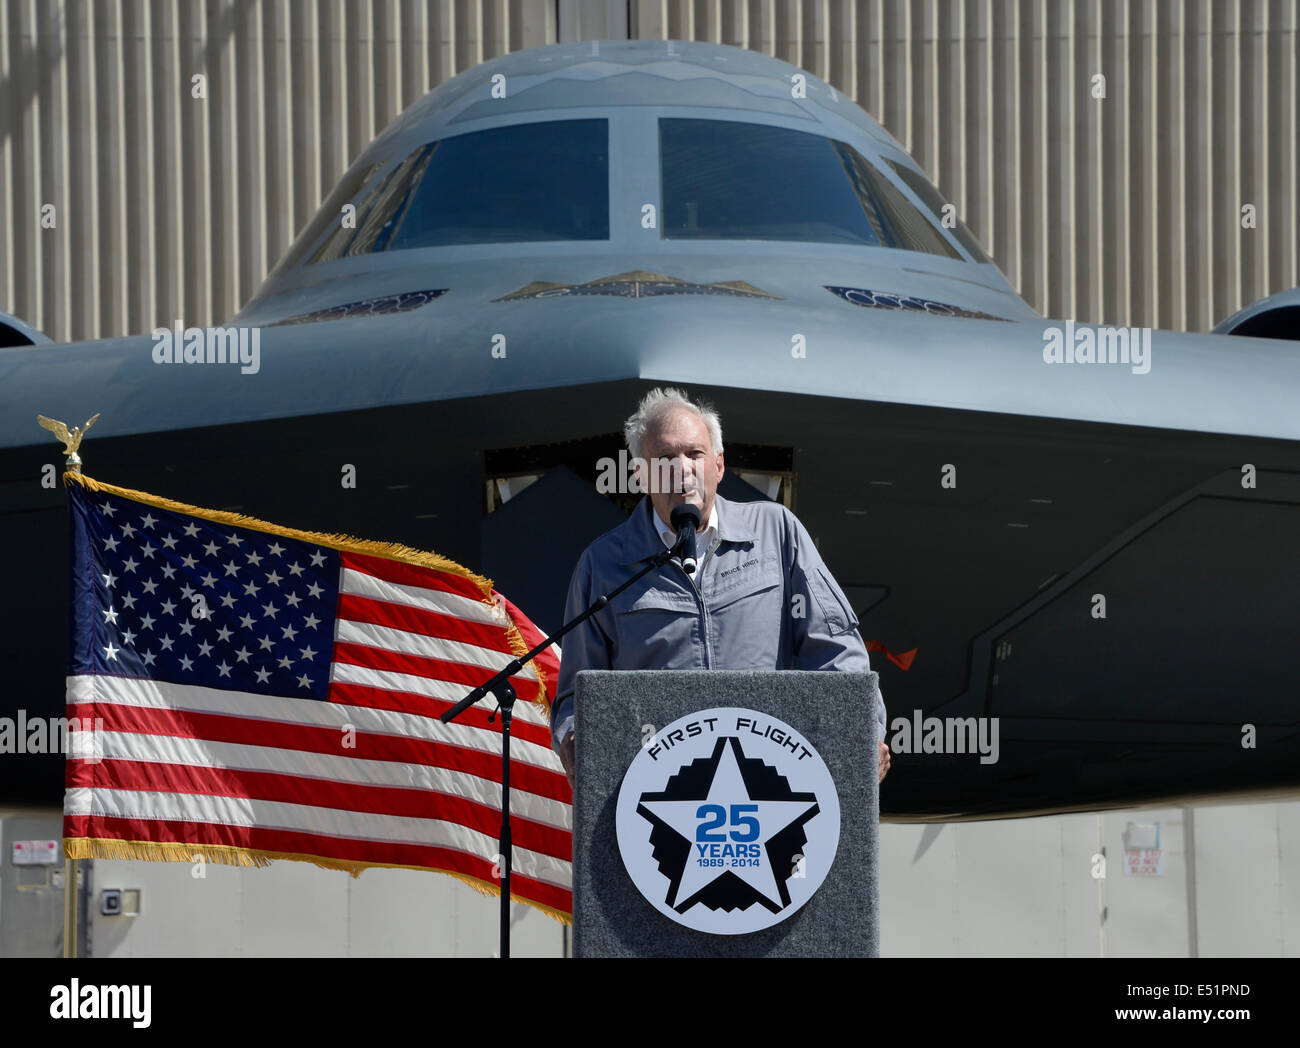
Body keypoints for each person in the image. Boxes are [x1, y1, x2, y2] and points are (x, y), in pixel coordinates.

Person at [550, 387, 890, 786]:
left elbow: (837, 654)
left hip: (768, 779)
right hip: (661, 792)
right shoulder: (604, 564)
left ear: (719, 465)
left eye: (694, 454)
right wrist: (573, 738)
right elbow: (577, 696)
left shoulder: (776, 533)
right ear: (640, 475)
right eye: (664, 459)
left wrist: (858, 730)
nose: (682, 469)